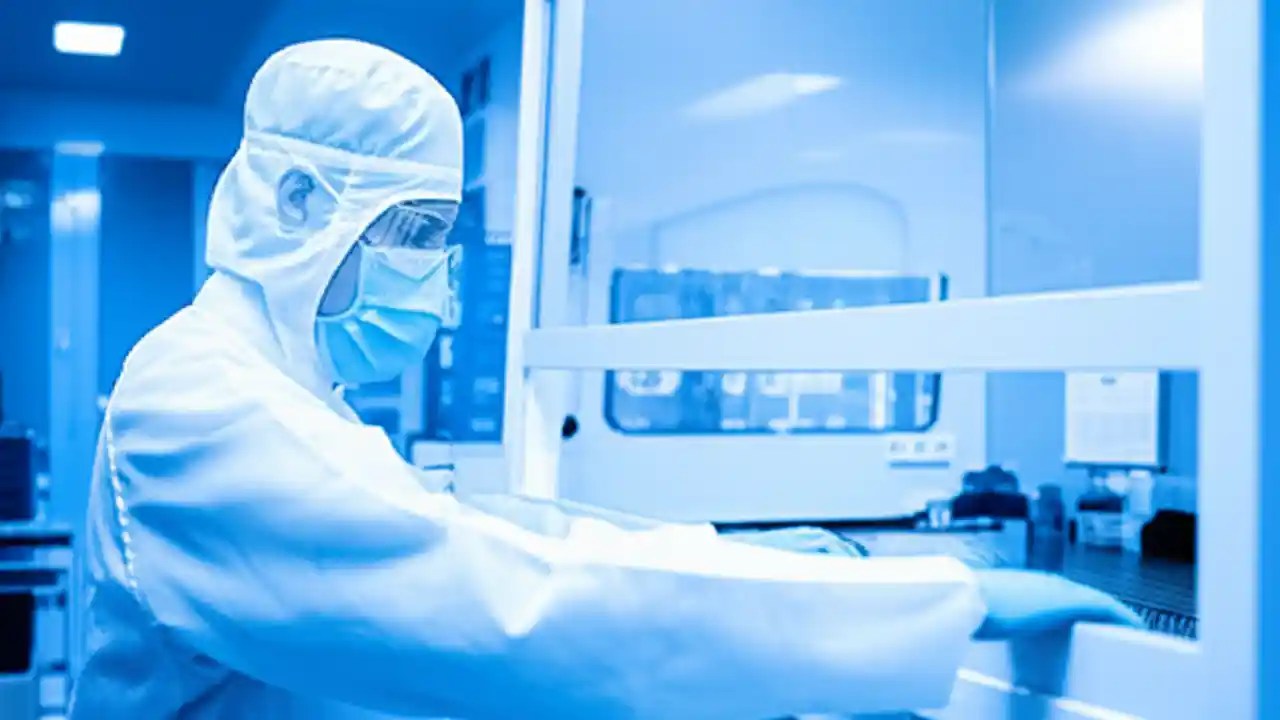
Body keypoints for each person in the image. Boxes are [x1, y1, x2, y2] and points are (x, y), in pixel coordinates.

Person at [70, 39, 1138, 720]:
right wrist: (919, 603)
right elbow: (498, 598)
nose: (438, 281)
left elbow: (483, 528)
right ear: (301, 203)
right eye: (421, 234)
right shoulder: (201, 402)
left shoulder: (285, 390)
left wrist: (728, 553)